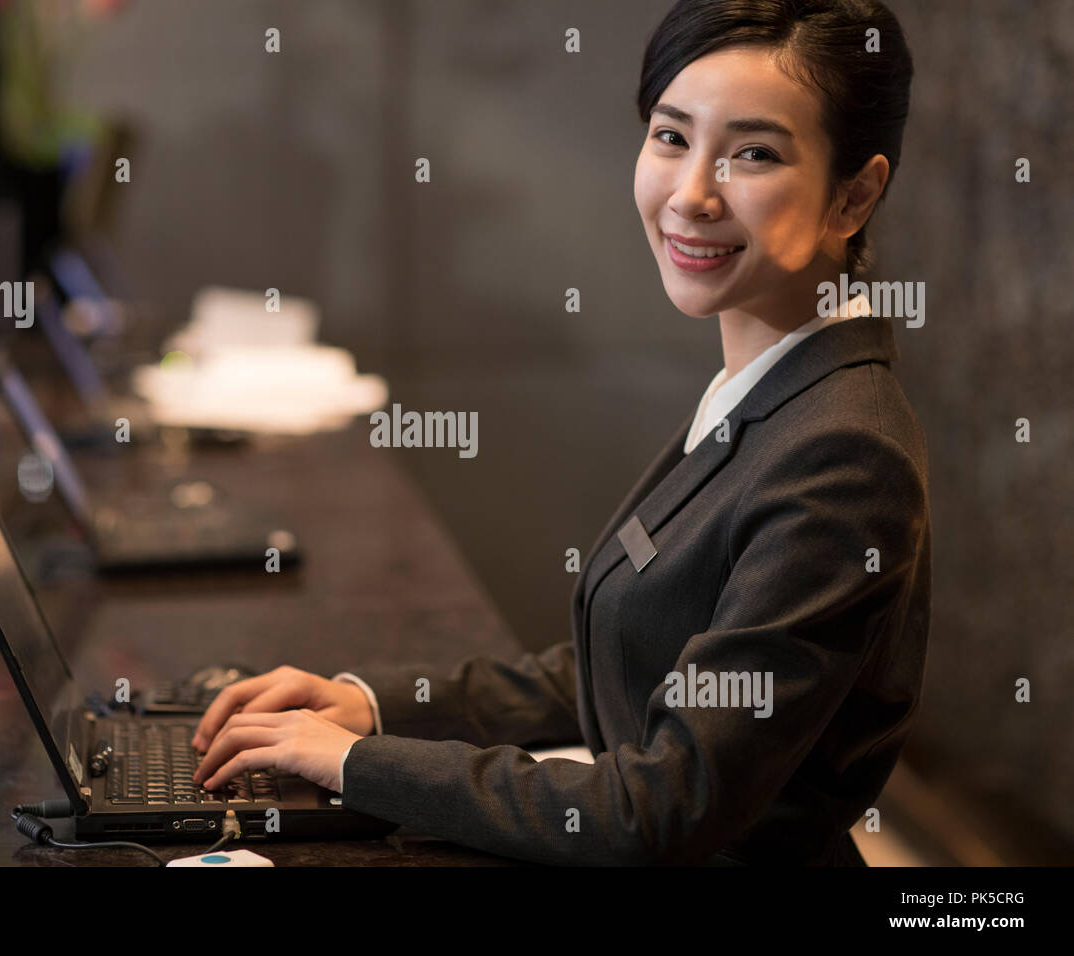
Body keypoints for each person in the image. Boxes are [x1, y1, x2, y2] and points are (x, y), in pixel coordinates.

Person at [191, 0, 929, 866]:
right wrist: (371, 705)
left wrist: (359, 765)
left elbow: (660, 809)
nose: (691, 194)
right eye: (670, 136)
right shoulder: (766, 391)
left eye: (753, 153)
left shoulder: (841, 455)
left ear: (855, 195)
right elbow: (638, 664)